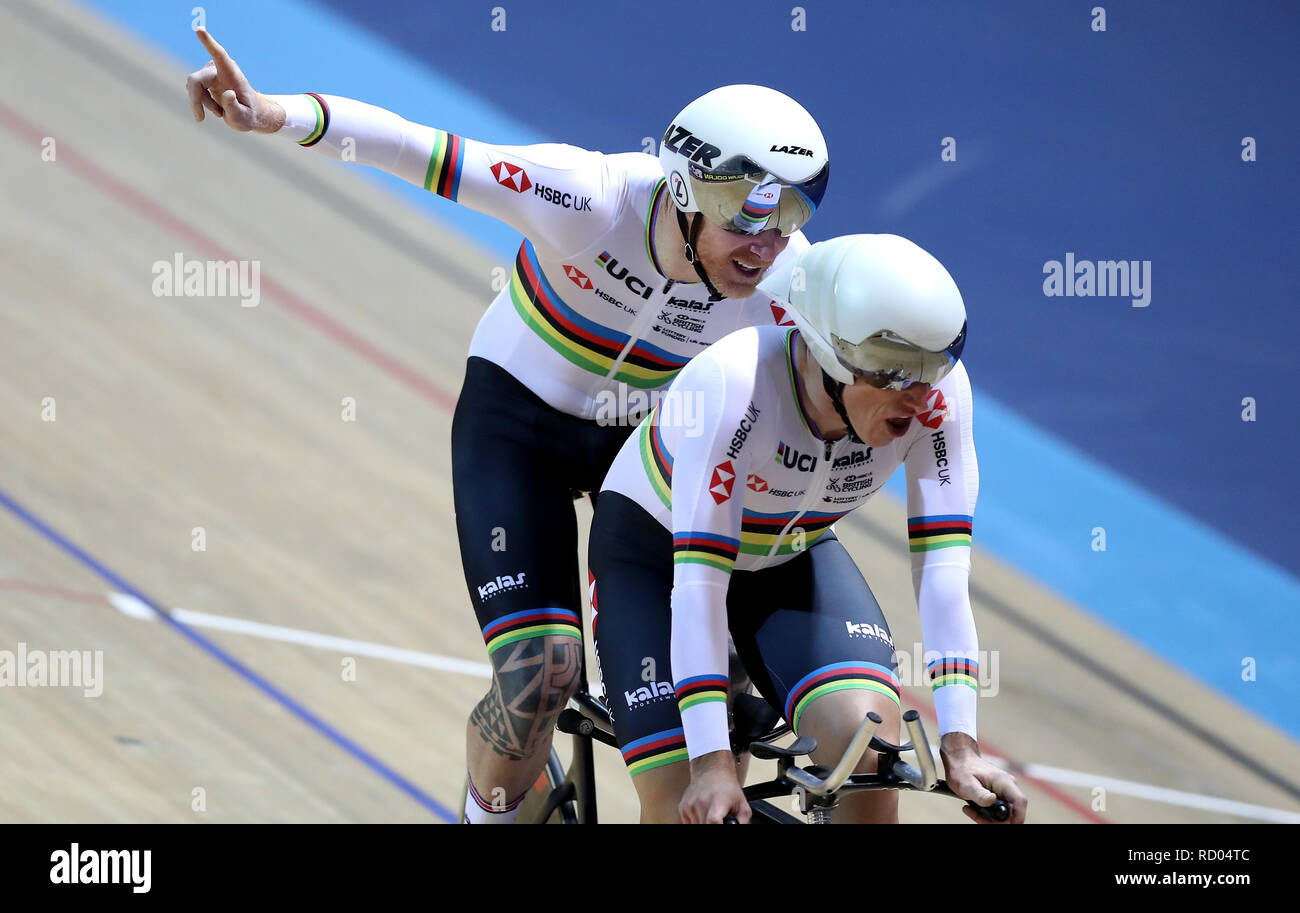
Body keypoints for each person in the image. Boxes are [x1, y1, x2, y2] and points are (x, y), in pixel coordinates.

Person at [184, 28, 830, 822]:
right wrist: (272, 113)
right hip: (517, 423)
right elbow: (415, 147)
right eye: (746, 213)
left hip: (644, 450)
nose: (767, 243)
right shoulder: (588, 196)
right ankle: (488, 815)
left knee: (717, 673)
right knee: (540, 673)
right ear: (687, 187)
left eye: (792, 211)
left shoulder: (796, 277)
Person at [589, 233, 1028, 823]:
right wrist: (712, 765)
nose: (920, 395)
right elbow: (700, 589)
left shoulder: (940, 398)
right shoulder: (733, 385)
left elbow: (945, 579)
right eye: (896, 371)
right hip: (660, 562)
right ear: (828, 353)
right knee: (683, 810)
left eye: (936, 365)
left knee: (866, 761)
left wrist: (961, 745)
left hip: (787, 555)